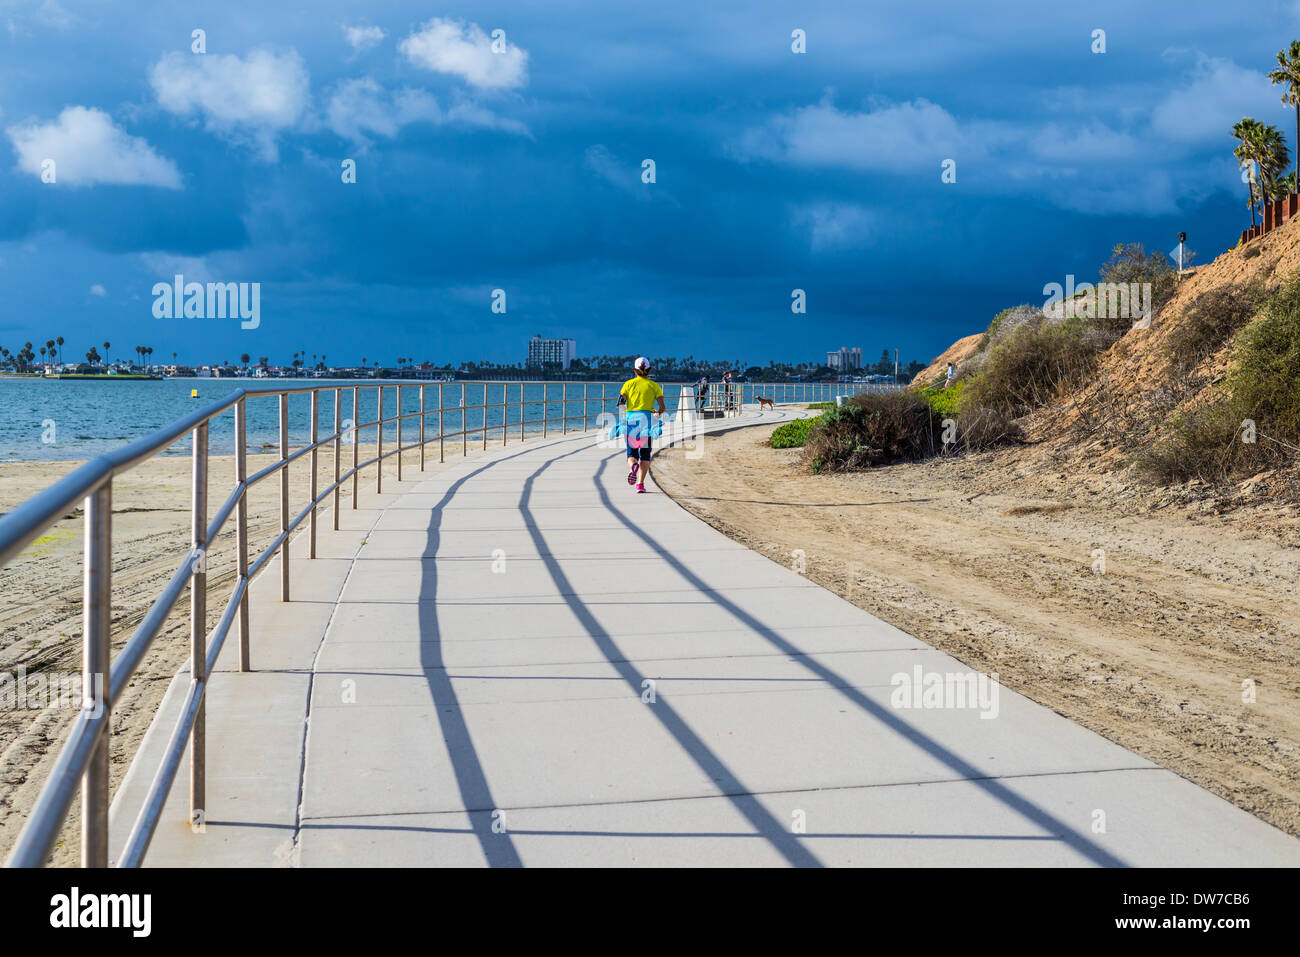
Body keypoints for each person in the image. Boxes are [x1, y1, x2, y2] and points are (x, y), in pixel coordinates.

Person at [621, 357, 666, 493]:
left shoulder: (628, 384)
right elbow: (662, 407)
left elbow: (621, 402)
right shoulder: (654, 386)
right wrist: (656, 413)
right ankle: (640, 484)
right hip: (647, 423)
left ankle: (633, 466)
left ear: (635, 370)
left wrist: (626, 415)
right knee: (645, 455)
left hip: (631, 423)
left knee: (631, 455)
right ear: (649, 370)